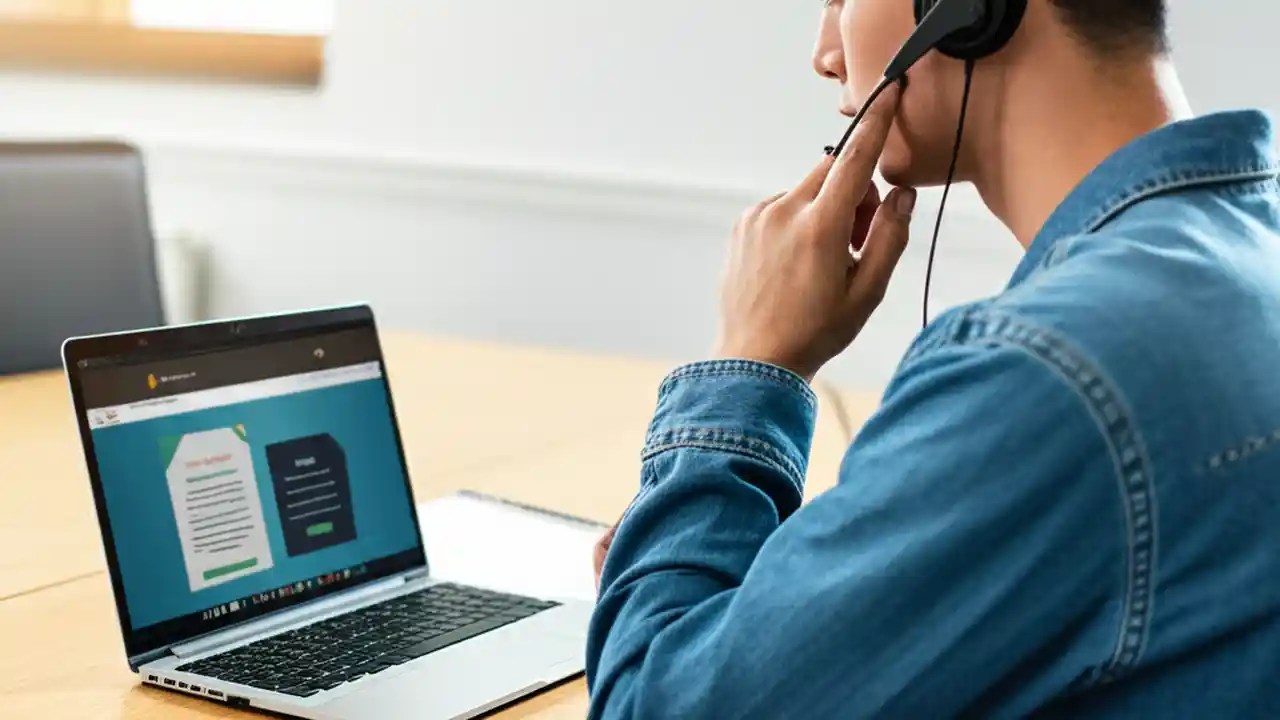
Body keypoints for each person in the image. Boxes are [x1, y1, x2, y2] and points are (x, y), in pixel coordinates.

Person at [586, 0, 1280, 717]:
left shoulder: (1049, 375)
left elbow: (650, 705)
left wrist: (751, 358)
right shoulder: (1249, 258)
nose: (825, 55)